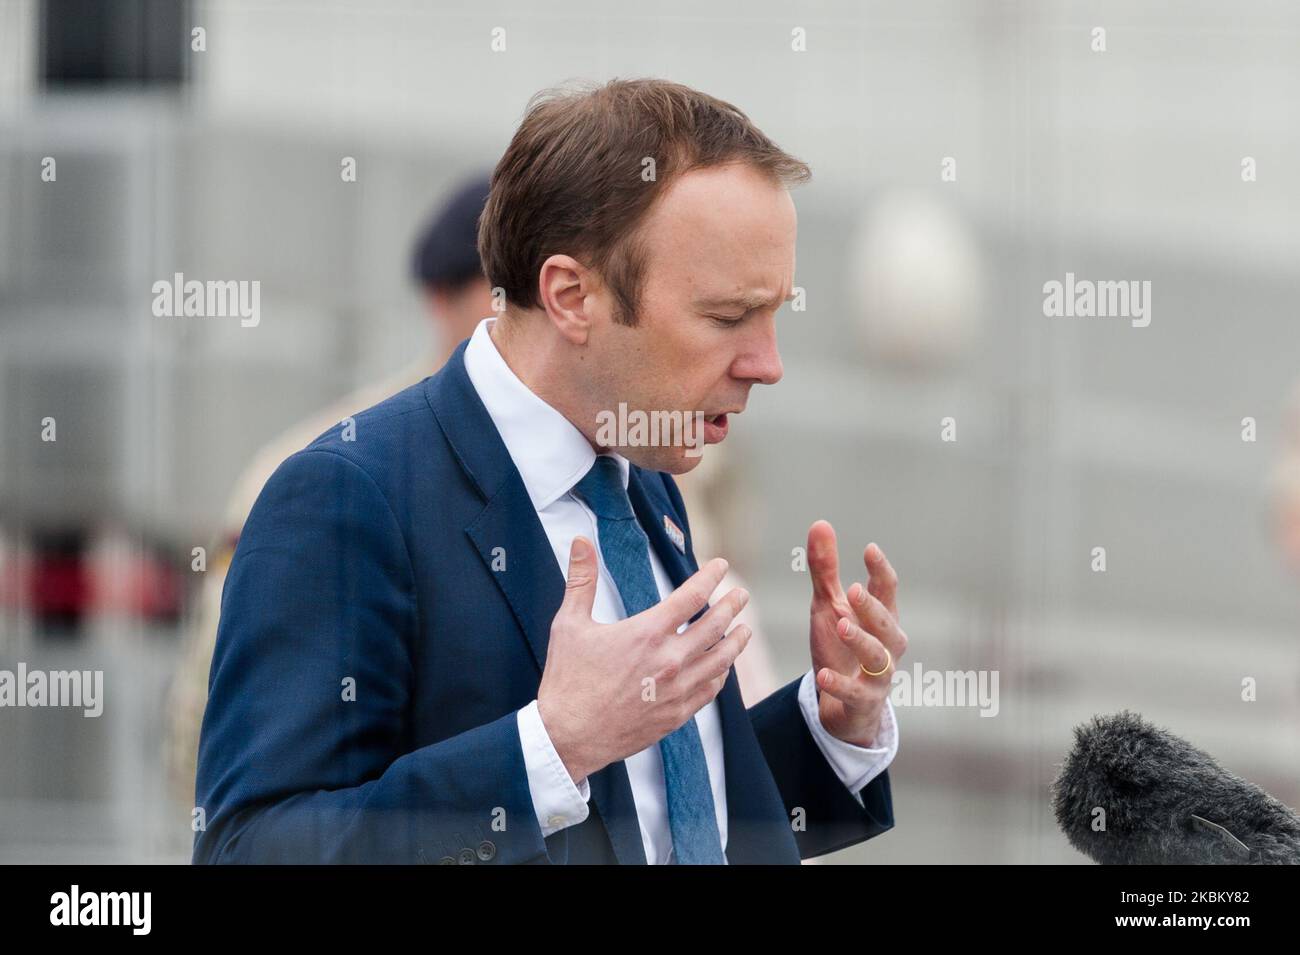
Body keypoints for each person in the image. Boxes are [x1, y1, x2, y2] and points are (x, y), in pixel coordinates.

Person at [193, 78, 908, 865]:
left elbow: (664, 818)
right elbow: (249, 850)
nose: (768, 364)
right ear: (571, 296)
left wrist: (833, 725)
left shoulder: (644, 480)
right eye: (729, 316)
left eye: (776, 313)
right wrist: (552, 746)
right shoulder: (346, 496)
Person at [163, 176, 496, 805]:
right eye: (500, 287)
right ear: (440, 298)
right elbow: (213, 697)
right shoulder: (321, 462)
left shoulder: (627, 461)